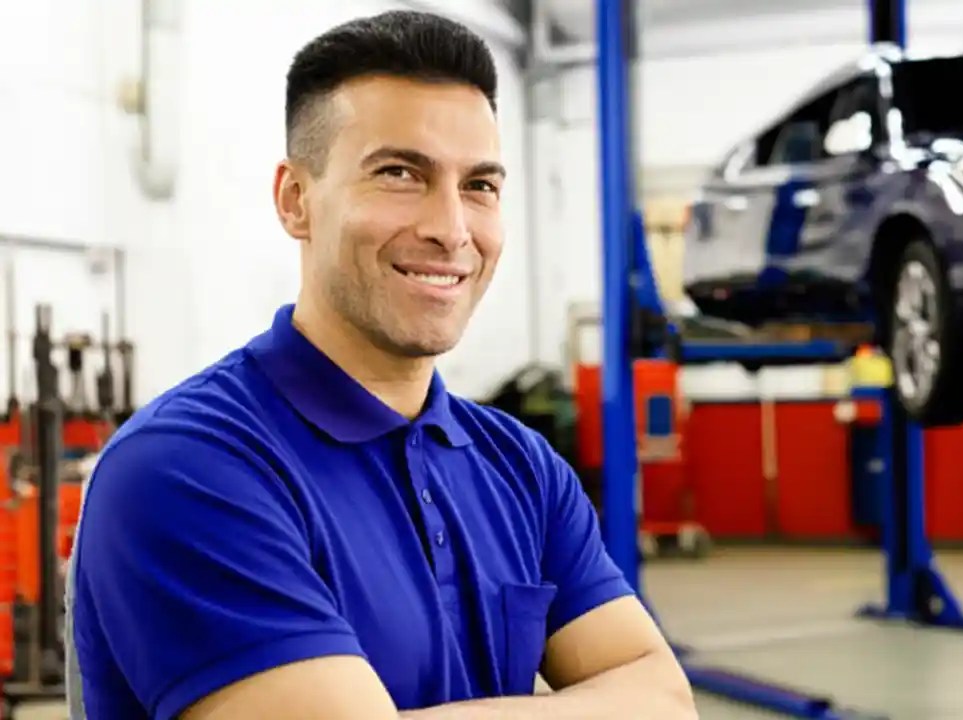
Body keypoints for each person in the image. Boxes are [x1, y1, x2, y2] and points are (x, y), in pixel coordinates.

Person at [66, 10, 696, 720]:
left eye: (480, 186)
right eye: (400, 173)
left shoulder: (520, 466)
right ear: (295, 200)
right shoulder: (187, 467)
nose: (451, 228)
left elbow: (666, 700)